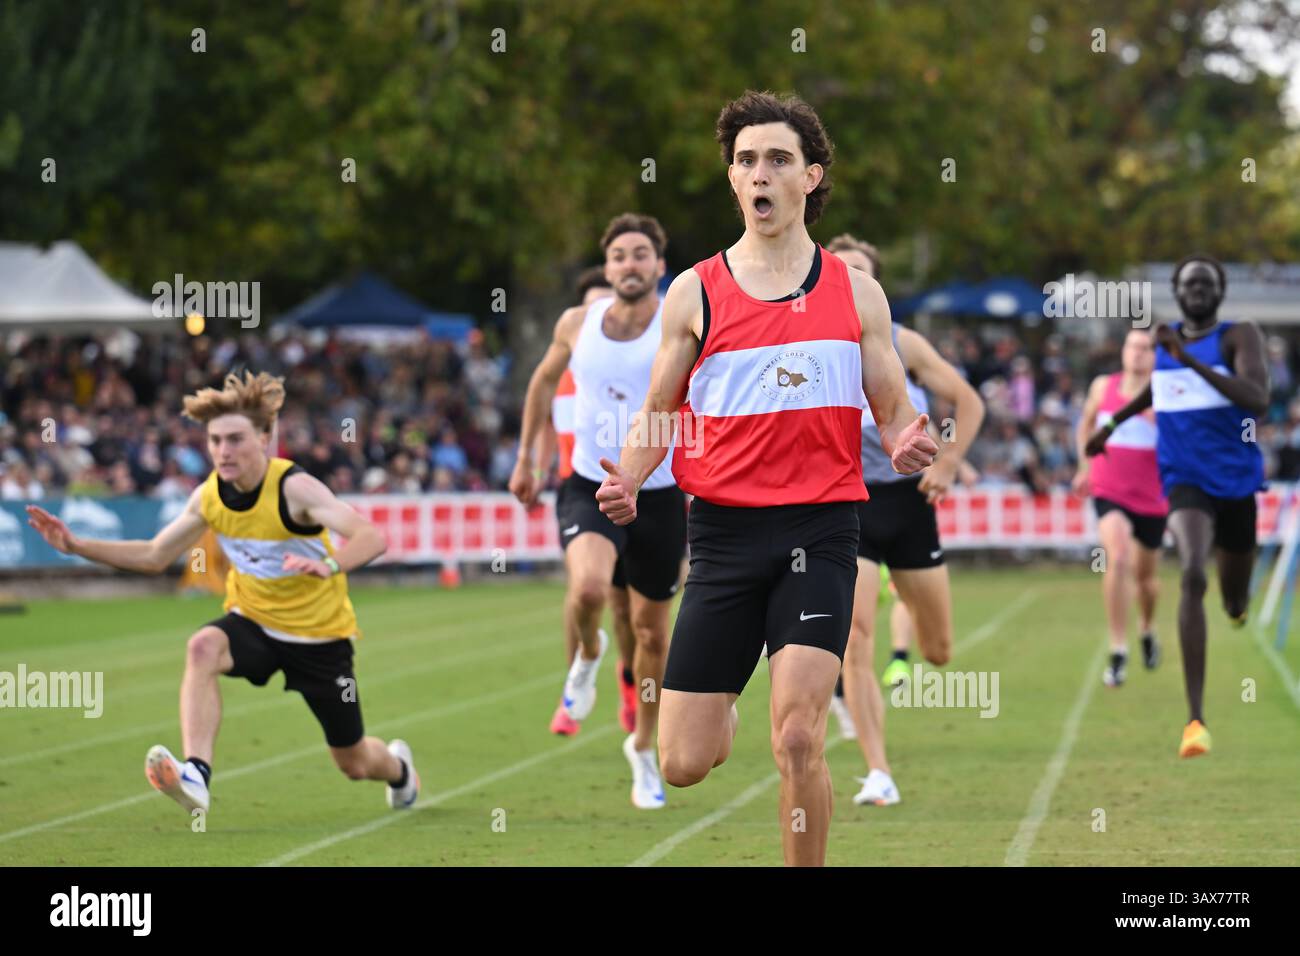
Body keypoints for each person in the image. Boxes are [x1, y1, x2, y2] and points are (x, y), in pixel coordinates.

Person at [596, 91, 937, 864]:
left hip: (820, 529)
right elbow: (659, 408)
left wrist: (911, 438)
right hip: (721, 535)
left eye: (779, 159)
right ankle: (725, 701)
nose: (761, 172)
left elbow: (892, 405)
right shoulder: (694, 292)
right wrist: (626, 477)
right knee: (684, 763)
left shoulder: (856, 292)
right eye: (746, 159)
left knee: (798, 737)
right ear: (733, 179)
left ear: (810, 178)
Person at [26, 371, 419, 817]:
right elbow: (156, 554)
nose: (223, 451)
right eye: (214, 441)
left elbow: (372, 537)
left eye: (234, 439)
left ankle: (401, 770)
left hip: (321, 640)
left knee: (354, 762)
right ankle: (196, 773)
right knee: (202, 647)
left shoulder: (296, 489)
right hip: (253, 622)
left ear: (266, 437)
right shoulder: (209, 496)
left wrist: (328, 565)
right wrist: (77, 545)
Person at [511, 214, 686, 809]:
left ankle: (642, 747)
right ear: (607, 267)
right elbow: (541, 383)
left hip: (658, 493)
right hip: (589, 485)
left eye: (641, 254)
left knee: (650, 637)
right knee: (587, 591)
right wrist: (528, 461)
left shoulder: (680, 320)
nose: (629, 265)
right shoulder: (575, 323)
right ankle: (587, 657)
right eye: (618, 256)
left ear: (659, 266)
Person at [1086, 255, 1267, 758]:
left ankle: (1236, 607)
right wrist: (1110, 426)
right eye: (1189, 285)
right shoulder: (1167, 345)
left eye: (1207, 284)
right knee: (1190, 573)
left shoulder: (1238, 336)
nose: (1198, 292)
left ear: (1220, 291)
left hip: (1234, 483)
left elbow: (1256, 397)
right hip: (1184, 481)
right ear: (1177, 291)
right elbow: (1153, 391)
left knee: (1232, 597)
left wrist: (1187, 357)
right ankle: (1195, 720)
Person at [826, 233, 985, 807]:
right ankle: (879, 772)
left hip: (911, 503)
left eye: (861, 273)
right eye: (839, 271)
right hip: (851, 505)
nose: (849, 282)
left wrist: (949, 463)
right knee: (856, 641)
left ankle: (911, 631)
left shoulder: (904, 342)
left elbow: (970, 403)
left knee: (939, 649)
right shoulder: (806, 344)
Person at [534, 268, 641, 738]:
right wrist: (535, 467)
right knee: (583, 590)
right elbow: (543, 423)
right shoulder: (565, 376)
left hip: (635, 489)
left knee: (626, 609)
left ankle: (629, 683)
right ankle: (576, 677)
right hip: (579, 489)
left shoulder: (635, 366)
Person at [1074, 329, 1168, 687]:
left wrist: (1151, 416)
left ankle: (1146, 627)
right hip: (1108, 488)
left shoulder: (1163, 394)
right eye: (1133, 346)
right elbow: (1084, 425)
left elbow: (1179, 439)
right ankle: (1118, 649)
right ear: (1124, 351)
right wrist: (1084, 466)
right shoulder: (1103, 387)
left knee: (1147, 582)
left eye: (1146, 349)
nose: (1138, 354)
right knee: (1119, 556)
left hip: (1152, 497)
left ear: (1156, 356)